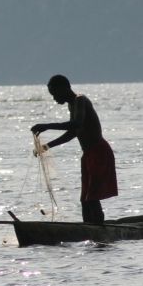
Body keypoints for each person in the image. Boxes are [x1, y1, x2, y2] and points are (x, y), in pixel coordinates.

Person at [30, 75, 117, 223]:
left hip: (99, 152)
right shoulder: (72, 105)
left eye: (55, 94)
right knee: (85, 198)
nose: (54, 98)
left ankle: (99, 230)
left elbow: (76, 124)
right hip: (88, 155)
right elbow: (72, 133)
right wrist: (46, 146)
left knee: (92, 197)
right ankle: (88, 228)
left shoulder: (80, 100)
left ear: (64, 88)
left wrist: (46, 125)